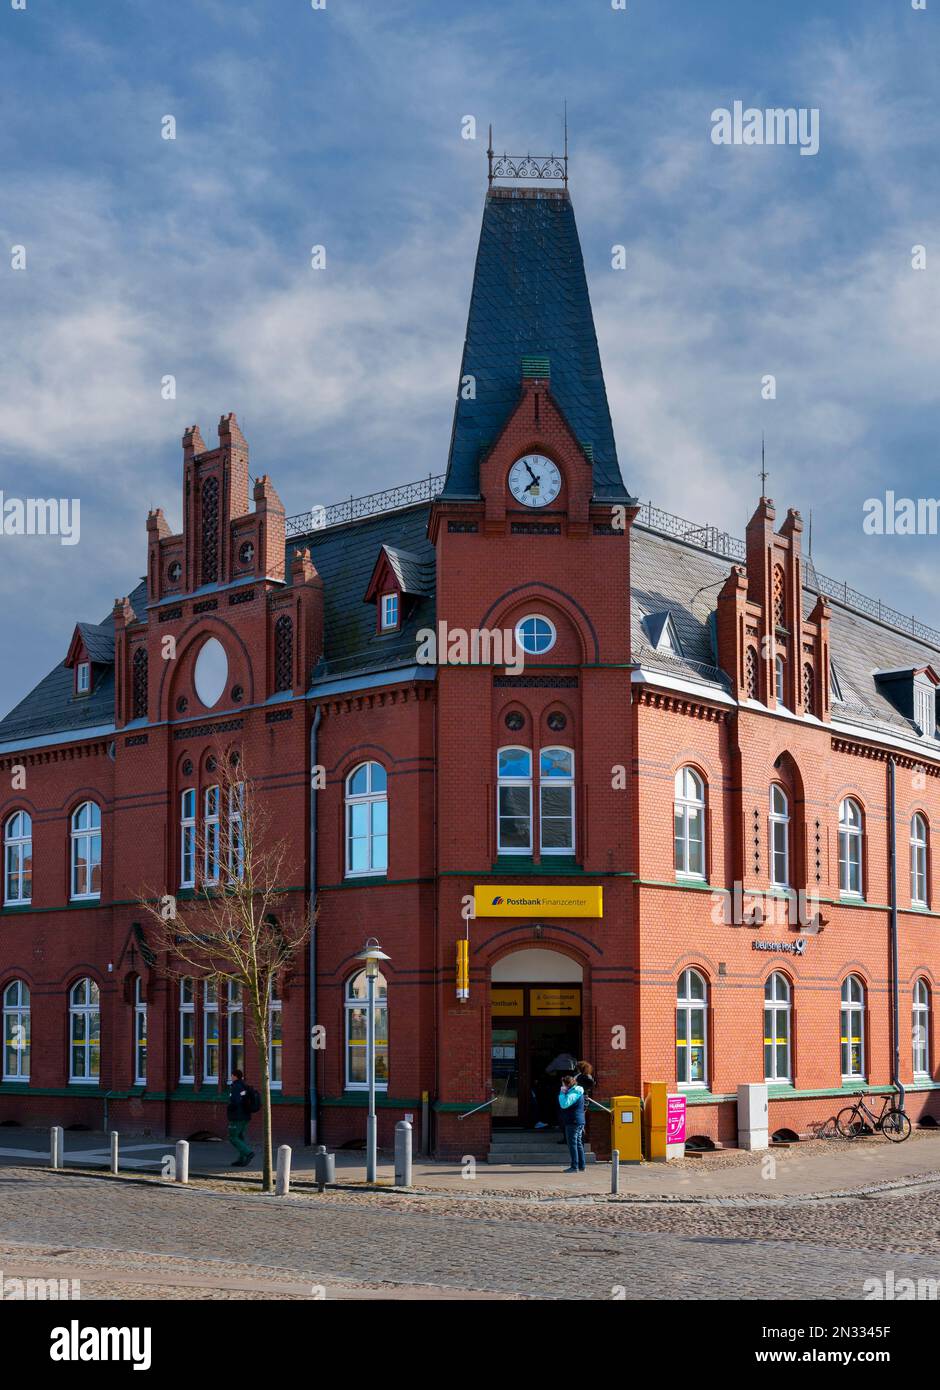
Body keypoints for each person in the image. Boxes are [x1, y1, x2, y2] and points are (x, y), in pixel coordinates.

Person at [558, 1073, 586, 1173]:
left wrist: (562, 1093)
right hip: (578, 1120)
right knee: (578, 1143)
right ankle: (581, 1165)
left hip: (573, 1121)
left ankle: (574, 1166)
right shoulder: (577, 1091)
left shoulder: (573, 1093)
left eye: (563, 1084)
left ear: (567, 1084)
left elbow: (564, 1104)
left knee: (572, 1144)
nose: (562, 1086)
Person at [227, 1068, 255, 1168]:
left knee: (233, 1137)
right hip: (246, 1116)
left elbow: (235, 1101)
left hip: (237, 1116)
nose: (231, 1077)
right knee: (240, 1137)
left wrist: (230, 1107)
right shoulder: (244, 1086)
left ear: (235, 1076)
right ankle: (241, 1159)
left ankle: (248, 1153)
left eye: (232, 1075)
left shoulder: (236, 1086)